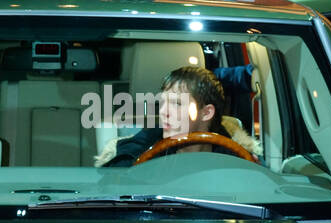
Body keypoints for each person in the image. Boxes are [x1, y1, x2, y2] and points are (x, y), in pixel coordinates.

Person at [96, 65, 259, 167]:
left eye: (177, 104)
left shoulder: (237, 161)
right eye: (163, 102)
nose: (163, 112)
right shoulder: (143, 148)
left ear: (206, 112)